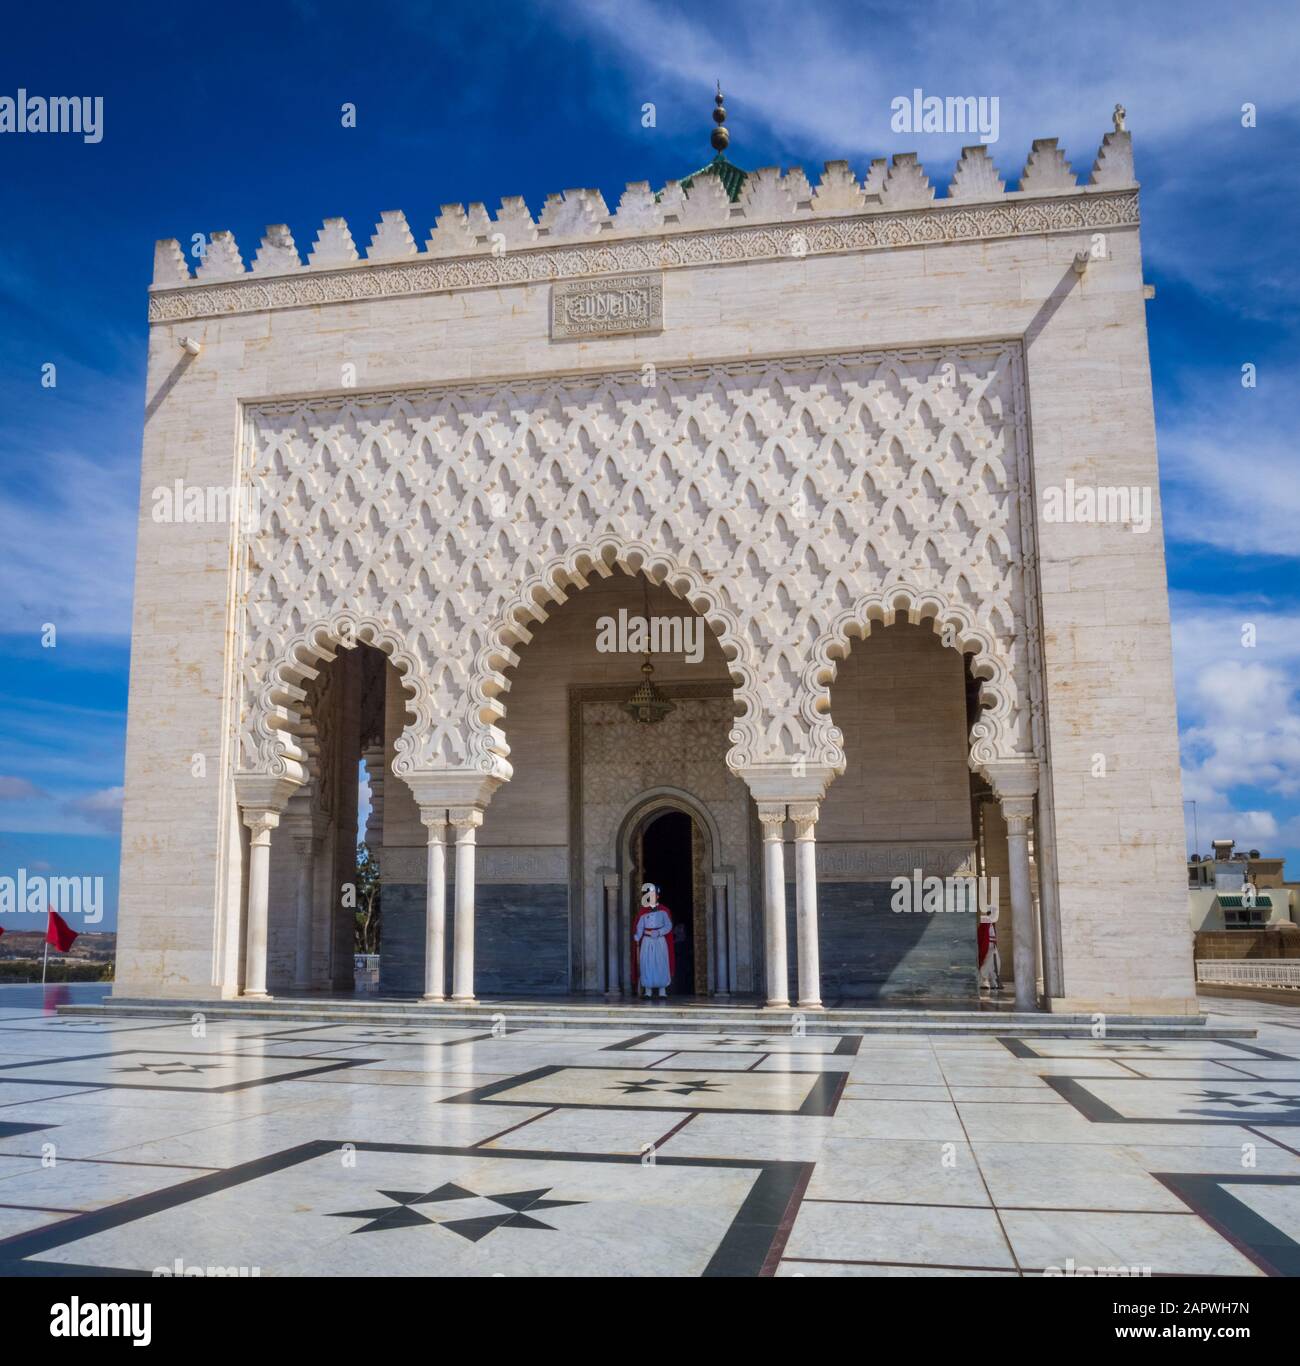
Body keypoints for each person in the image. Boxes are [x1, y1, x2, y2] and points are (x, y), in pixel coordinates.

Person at [633, 881, 674, 998]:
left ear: (657, 896)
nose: (651, 897)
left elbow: (668, 926)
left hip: (660, 941)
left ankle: (662, 991)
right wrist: (638, 936)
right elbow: (640, 926)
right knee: (647, 964)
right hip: (647, 941)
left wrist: (659, 932)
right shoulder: (643, 911)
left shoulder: (664, 911)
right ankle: (648, 991)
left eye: (653, 895)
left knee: (661, 963)